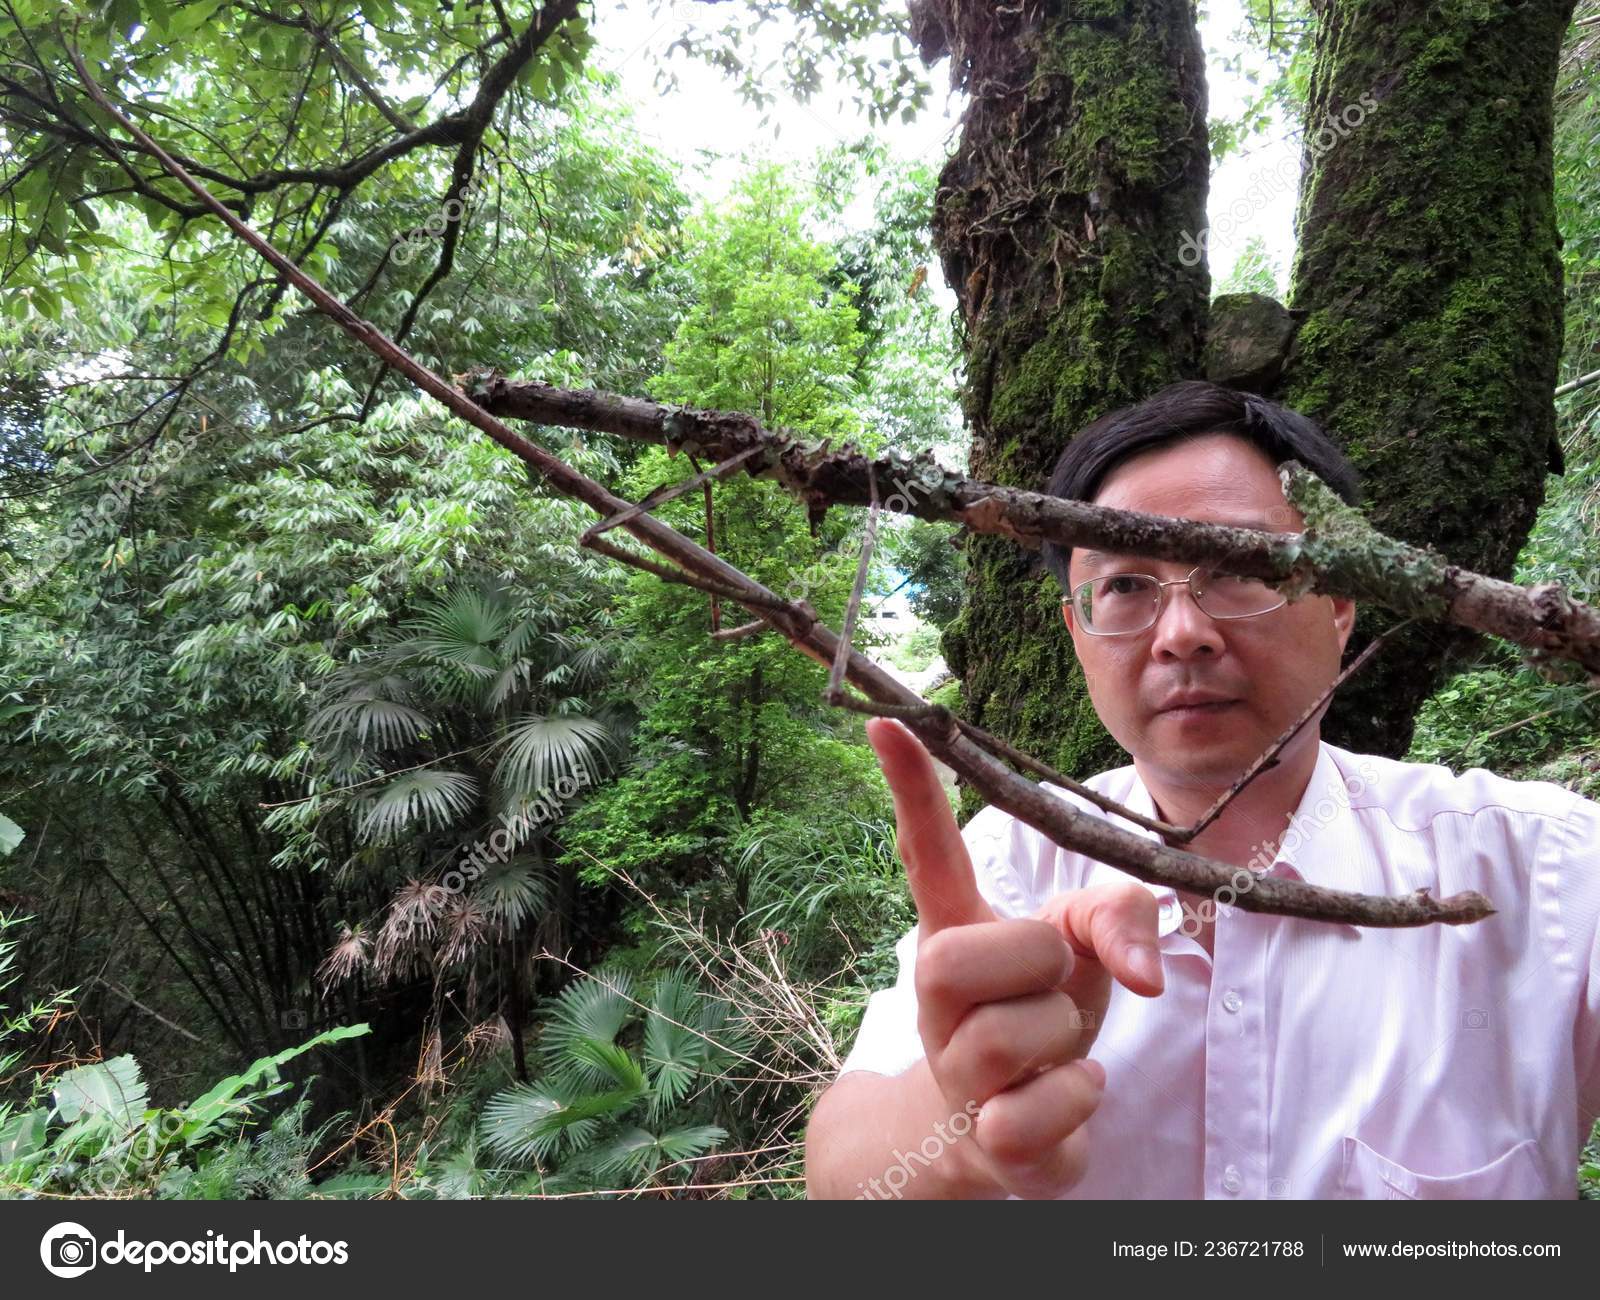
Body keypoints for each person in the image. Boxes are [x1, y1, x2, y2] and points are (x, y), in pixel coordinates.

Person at [803, 381, 1600, 1200]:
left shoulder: (1548, 868)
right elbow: (841, 1170)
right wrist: (954, 1120)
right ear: (1076, 635)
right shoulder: (1007, 865)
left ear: (1340, 605)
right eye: (1125, 586)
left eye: (1242, 567)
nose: (1182, 635)